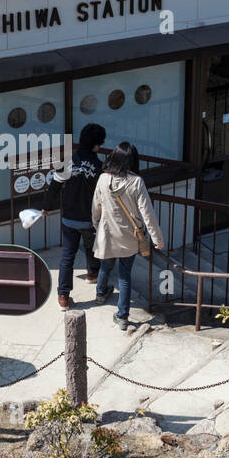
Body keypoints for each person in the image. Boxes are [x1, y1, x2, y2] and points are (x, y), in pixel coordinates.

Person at [91, 141, 165, 331]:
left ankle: (100, 294)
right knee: (124, 276)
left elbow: (96, 207)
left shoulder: (103, 179)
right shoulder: (136, 182)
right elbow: (147, 213)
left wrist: (96, 225)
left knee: (106, 264)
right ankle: (122, 316)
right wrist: (157, 239)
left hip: (107, 233)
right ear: (132, 160)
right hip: (129, 237)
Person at [40, 123, 106, 310]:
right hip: (89, 218)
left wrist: (46, 207)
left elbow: (54, 186)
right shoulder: (99, 167)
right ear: (97, 145)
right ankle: (92, 274)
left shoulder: (68, 161)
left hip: (69, 217)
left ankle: (63, 296)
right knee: (92, 247)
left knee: (67, 256)